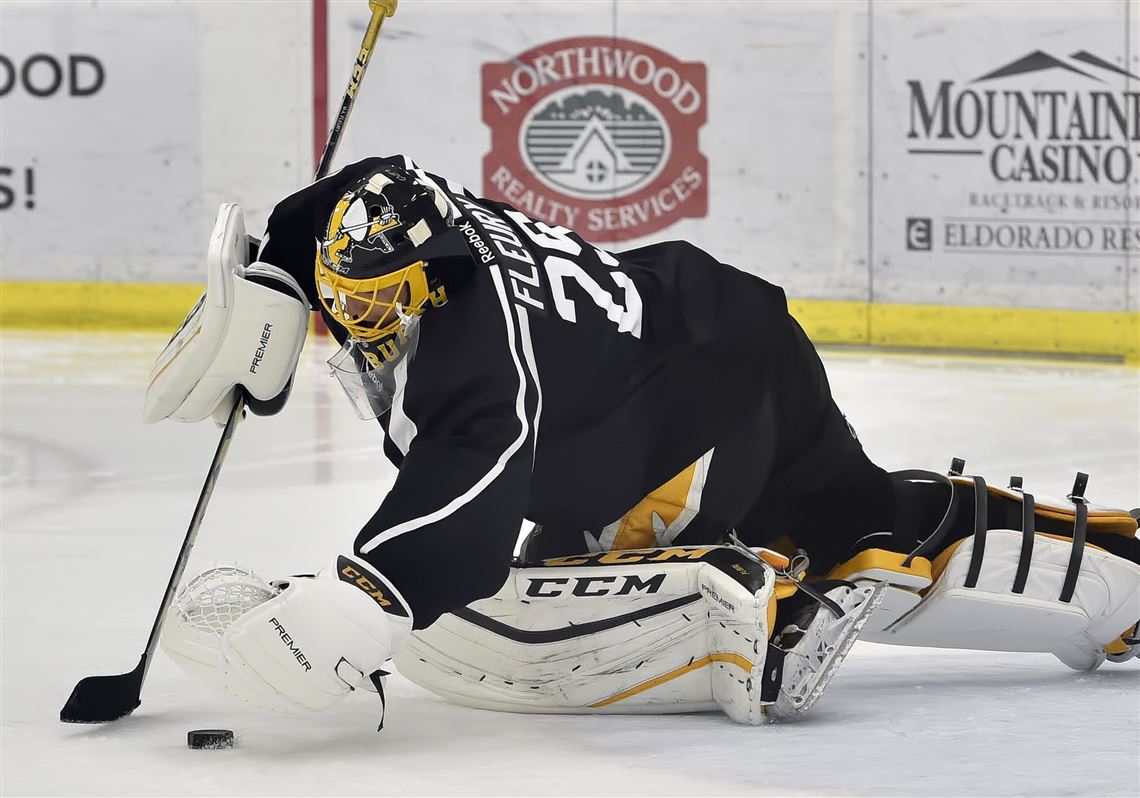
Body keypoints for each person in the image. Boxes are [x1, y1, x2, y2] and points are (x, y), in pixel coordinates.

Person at [147, 156, 1140, 724]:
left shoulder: (472, 350)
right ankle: (1117, 572)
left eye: (381, 299)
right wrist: (280, 269)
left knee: (537, 578)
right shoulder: (423, 212)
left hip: (687, 433)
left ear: (437, 271)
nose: (357, 317)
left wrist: (377, 590)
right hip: (735, 330)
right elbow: (344, 198)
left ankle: (755, 603)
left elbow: (480, 480)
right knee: (857, 509)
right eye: (342, 293)